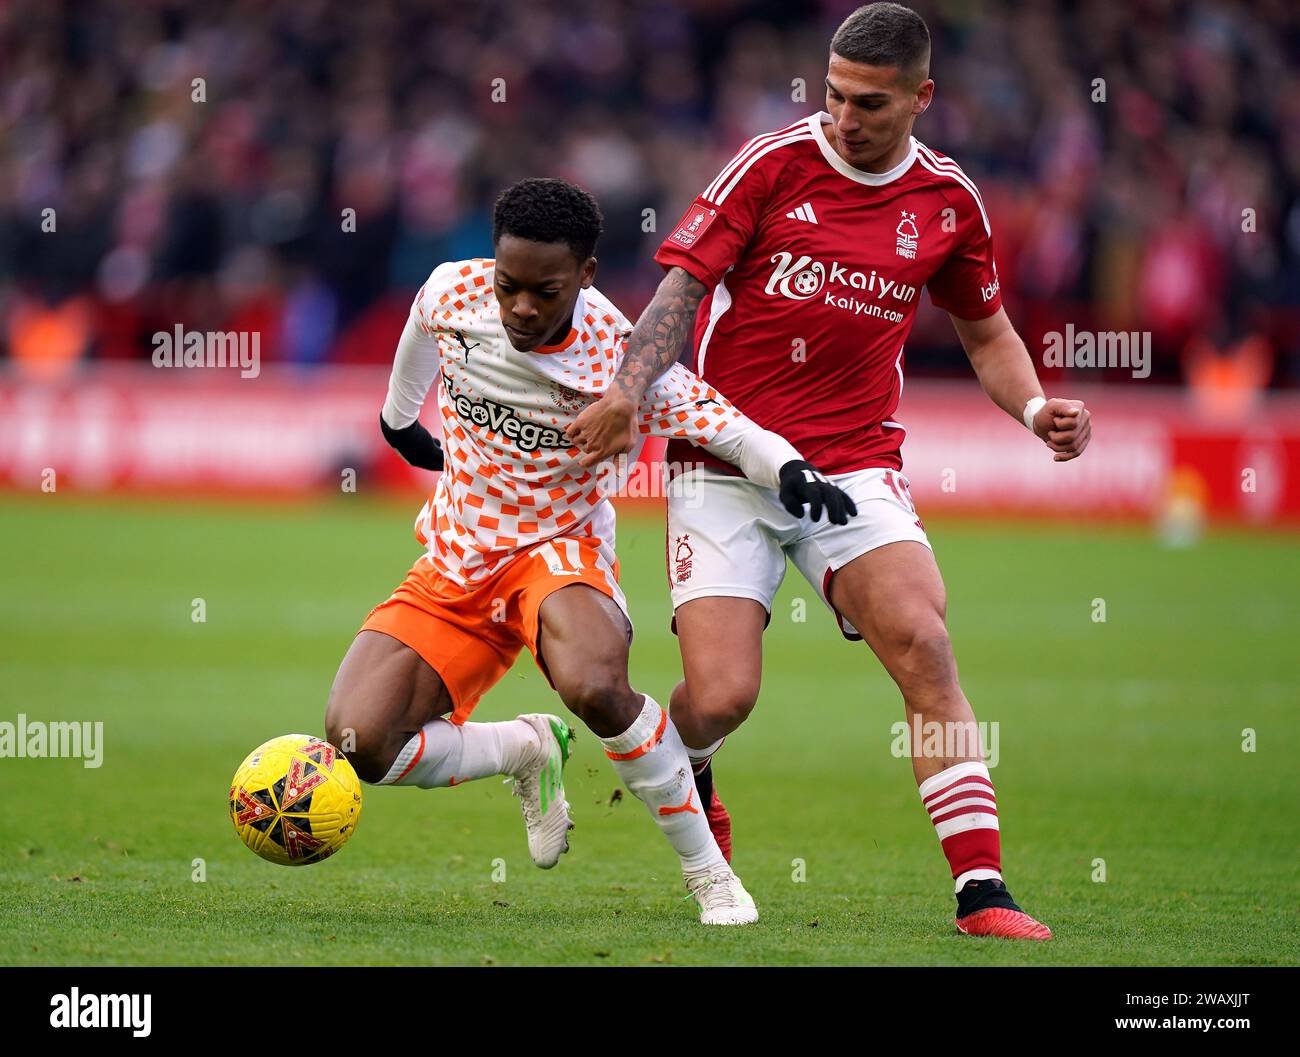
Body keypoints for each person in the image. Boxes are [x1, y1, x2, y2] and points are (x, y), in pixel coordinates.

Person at [565, 3, 1093, 940]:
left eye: (873, 103)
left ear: (923, 97)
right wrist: (625, 394)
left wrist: (1033, 406)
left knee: (924, 647)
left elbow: (985, 329)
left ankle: (982, 891)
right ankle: (687, 758)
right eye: (836, 95)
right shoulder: (770, 166)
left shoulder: (947, 202)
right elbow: (679, 291)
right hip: (725, 459)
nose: (847, 117)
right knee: (723, 696)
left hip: (853, 464)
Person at [323, 177, 856, 925]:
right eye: (510, 286)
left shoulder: (618, 358)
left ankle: (710, 875)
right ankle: (523, 749)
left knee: (597, 688)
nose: (521, 308)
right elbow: (420, 324)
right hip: (458, 552)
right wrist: (398, 421)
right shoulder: (456, 292)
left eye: (544, 291)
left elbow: (723, 424)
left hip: (557, 550)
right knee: (359, 740)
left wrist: (792, 469)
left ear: (585, 276)